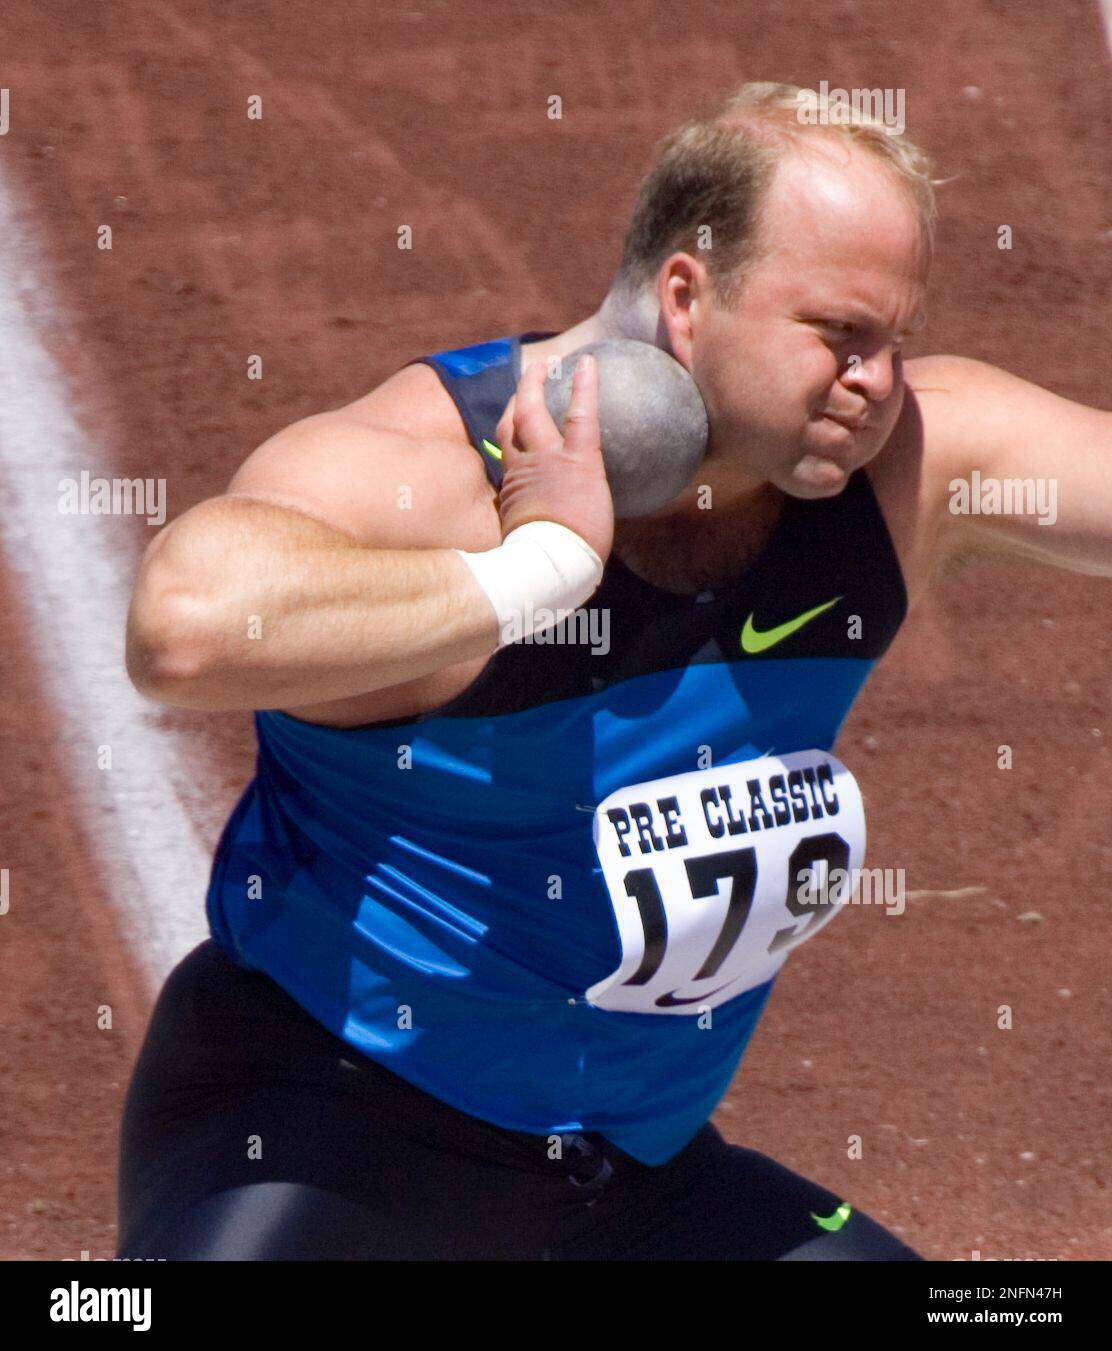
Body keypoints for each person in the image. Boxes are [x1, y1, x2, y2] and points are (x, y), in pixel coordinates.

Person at [118, 83, 1111, 1260]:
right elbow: (183, 626)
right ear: (686, 297)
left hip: (634, 1189)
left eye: (893, 340)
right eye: (838, 335)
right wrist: (530, 573)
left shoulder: (896, 473)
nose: (878, 381)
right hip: (322, 1133)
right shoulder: (436, 474)